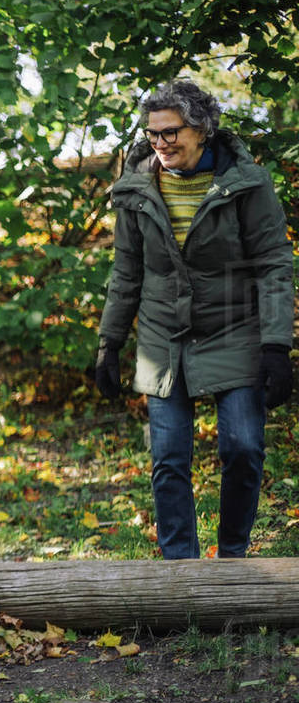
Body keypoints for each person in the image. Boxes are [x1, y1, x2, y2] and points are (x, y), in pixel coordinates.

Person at [95, 79, 294, 559]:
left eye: (171, 132)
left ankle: (231, 559)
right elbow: (127, 269)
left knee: (244, 450)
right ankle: (179, 569)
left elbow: (273, 263)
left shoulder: (247, 183)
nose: (160, 144)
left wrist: (276, 346)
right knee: (168, 459)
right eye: (153, 134)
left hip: (235, 330)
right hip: (164, 338)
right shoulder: (138, 188)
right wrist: (110, 343)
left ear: (202, 129)